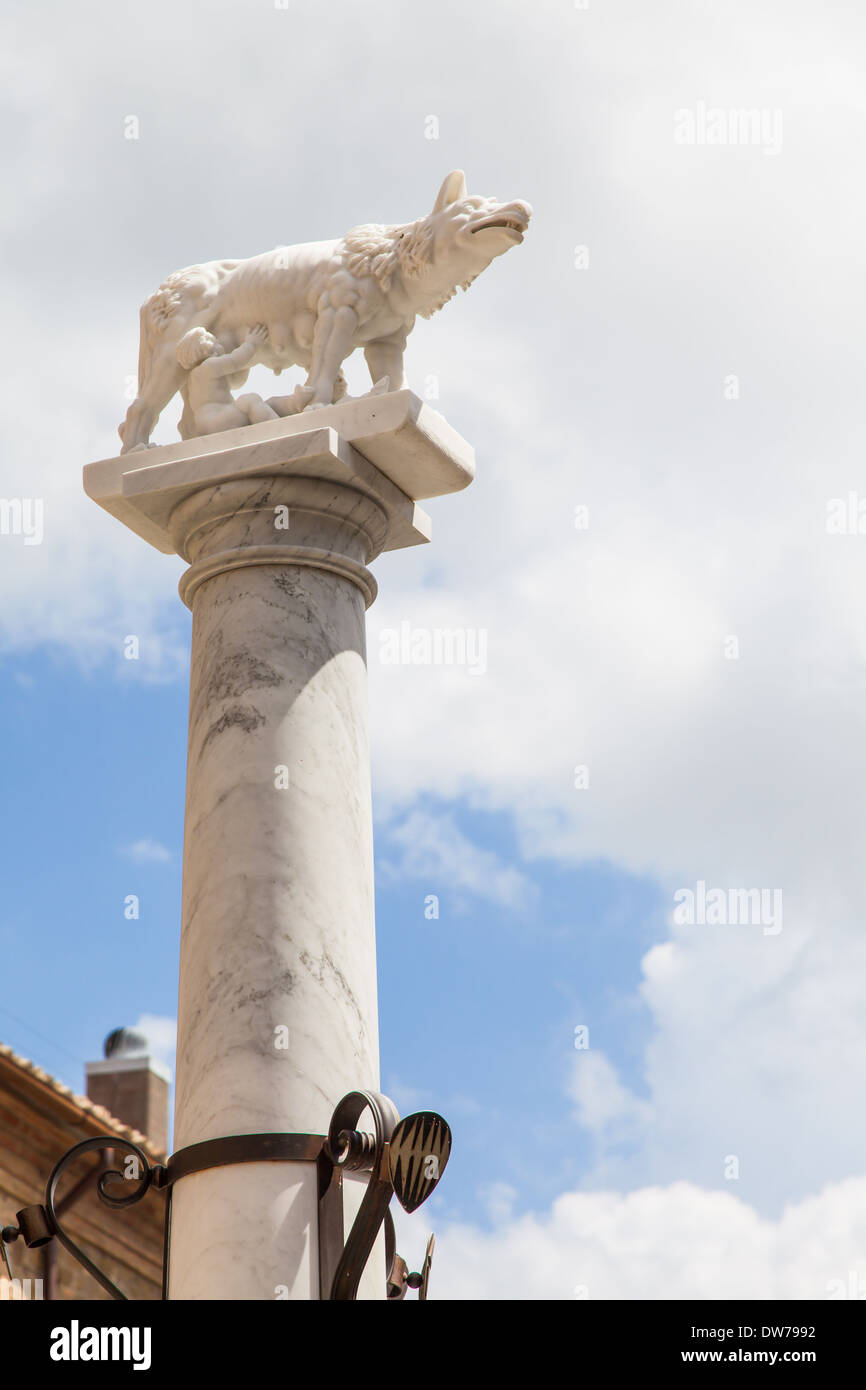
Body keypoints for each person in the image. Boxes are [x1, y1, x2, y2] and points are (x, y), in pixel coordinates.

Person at [176, 323, 278, 436]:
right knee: (250, 400)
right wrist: (252, 343)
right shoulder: (209, 365)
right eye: (216, 342)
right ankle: (277, 430)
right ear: (206, 346)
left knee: (264, 404)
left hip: (204, 427)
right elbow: (235, 361)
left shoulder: (192, 379)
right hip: (218, 421)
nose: (220, 345)